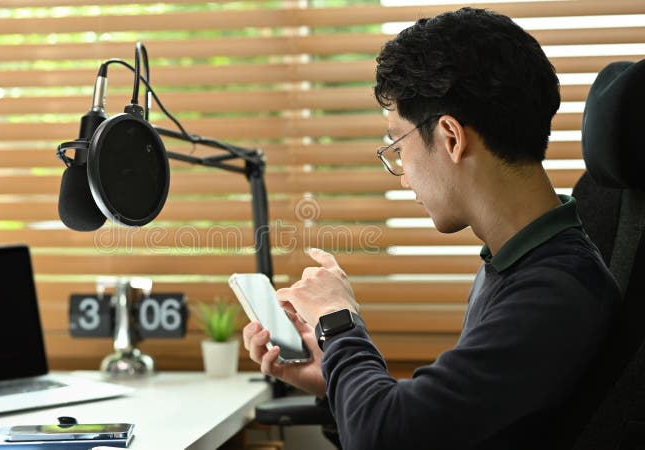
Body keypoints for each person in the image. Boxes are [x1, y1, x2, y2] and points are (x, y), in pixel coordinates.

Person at [242, 7, 620, 450]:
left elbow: (386, 438)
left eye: (398, 145)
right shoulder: (517, 263)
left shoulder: (553, 291)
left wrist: (338, 320)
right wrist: (334, 377)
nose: (402, 175)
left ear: (451, 138)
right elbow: (436, 422)